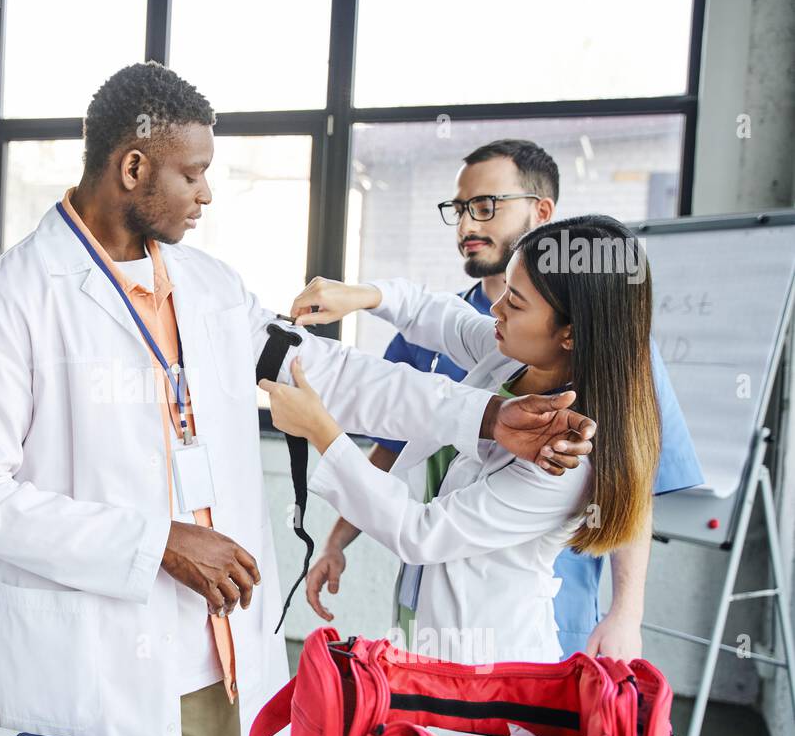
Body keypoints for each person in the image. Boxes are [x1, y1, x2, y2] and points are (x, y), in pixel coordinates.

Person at [0, 63, 594, 736]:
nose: (207, 194)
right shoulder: (7, 303)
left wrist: (488, 415)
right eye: (193, 174)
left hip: (225, 654)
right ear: (133, 166)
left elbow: (335, 374)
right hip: (99, 659)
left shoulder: (210, 288)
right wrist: (155, 543)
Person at [299, 140, 701, 659]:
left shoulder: (564, 453)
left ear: (571, 334)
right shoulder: (509, 355)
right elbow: (436, 317)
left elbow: (421, 531)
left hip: (494, 654)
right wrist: (366, 295)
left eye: (515, 301)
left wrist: (321, 432)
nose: (498, 312)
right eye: (461, 209)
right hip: (428, 613)